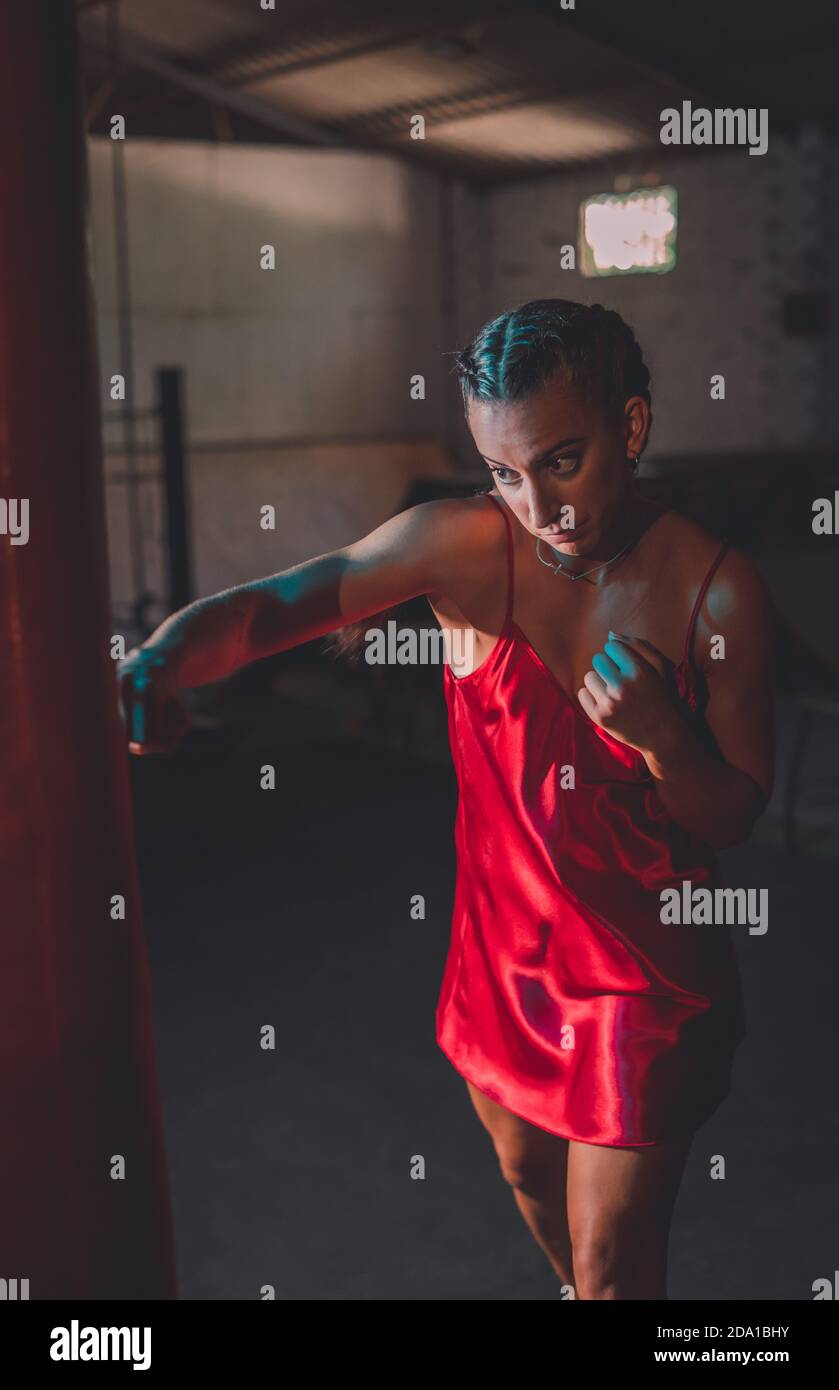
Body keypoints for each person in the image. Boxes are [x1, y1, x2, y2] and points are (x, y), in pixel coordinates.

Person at [118, 298, 775, 1299]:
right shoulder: (466, 547)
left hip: (646, 980)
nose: (537, 505)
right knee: (528, 1182)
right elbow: (278, 606)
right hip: (501, 958)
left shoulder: (714, 591)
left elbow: (731, 811)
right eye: (504, 472)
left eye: (562, 459)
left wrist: (664, 739)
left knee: (612, 1267)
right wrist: (166, 655)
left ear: (630, 428)